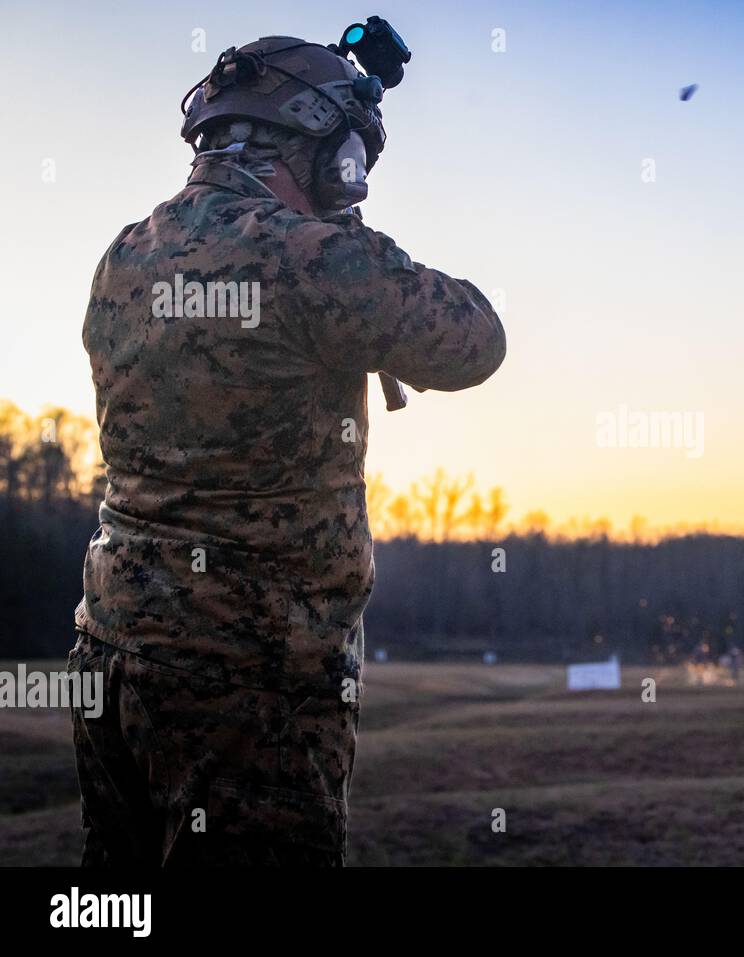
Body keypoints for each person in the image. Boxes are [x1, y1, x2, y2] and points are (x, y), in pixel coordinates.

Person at [68, 34, 505, 866]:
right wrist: (351, 235)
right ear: (326, 156)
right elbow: (477, 340)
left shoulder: (124, 256)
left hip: (113, 651)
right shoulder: (311, 258)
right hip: (250, 677)